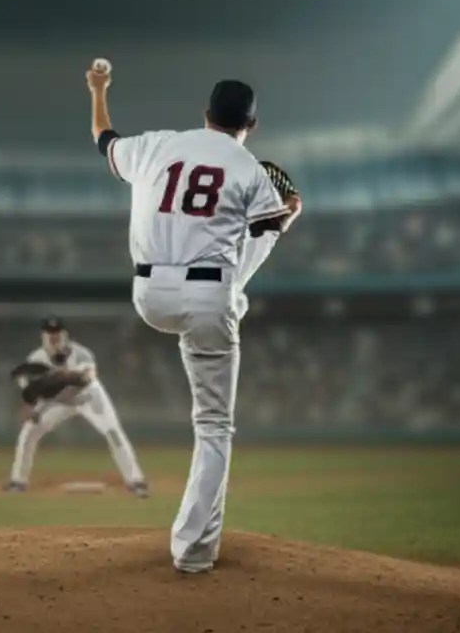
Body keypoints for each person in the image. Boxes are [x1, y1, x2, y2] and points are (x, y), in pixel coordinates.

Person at [87, 63, 301, 572]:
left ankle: (233, 295)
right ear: (251, 125)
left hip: (149, 293)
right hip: (209, 298)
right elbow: (270, 224)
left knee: (251, 238)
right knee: (213, 427)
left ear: (204, 115)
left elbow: (104, 139)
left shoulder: (160, 144)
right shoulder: (248, 167)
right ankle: (194, 553)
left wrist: (98, 90)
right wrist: (293, 208)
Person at [3, 317, 148, 496]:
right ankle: (18, 481)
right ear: (43, 336)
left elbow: (87, 378)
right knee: (29, 431)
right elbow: (32, 388)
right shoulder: (36, 359)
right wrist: (34, 407)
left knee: (113, 432)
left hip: (88, 397)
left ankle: (136, 480)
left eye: (57, 333)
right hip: (57, 402)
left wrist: (62, 375)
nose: (54, 337)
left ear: (65, 335)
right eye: (50, 334)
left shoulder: (82, 354)